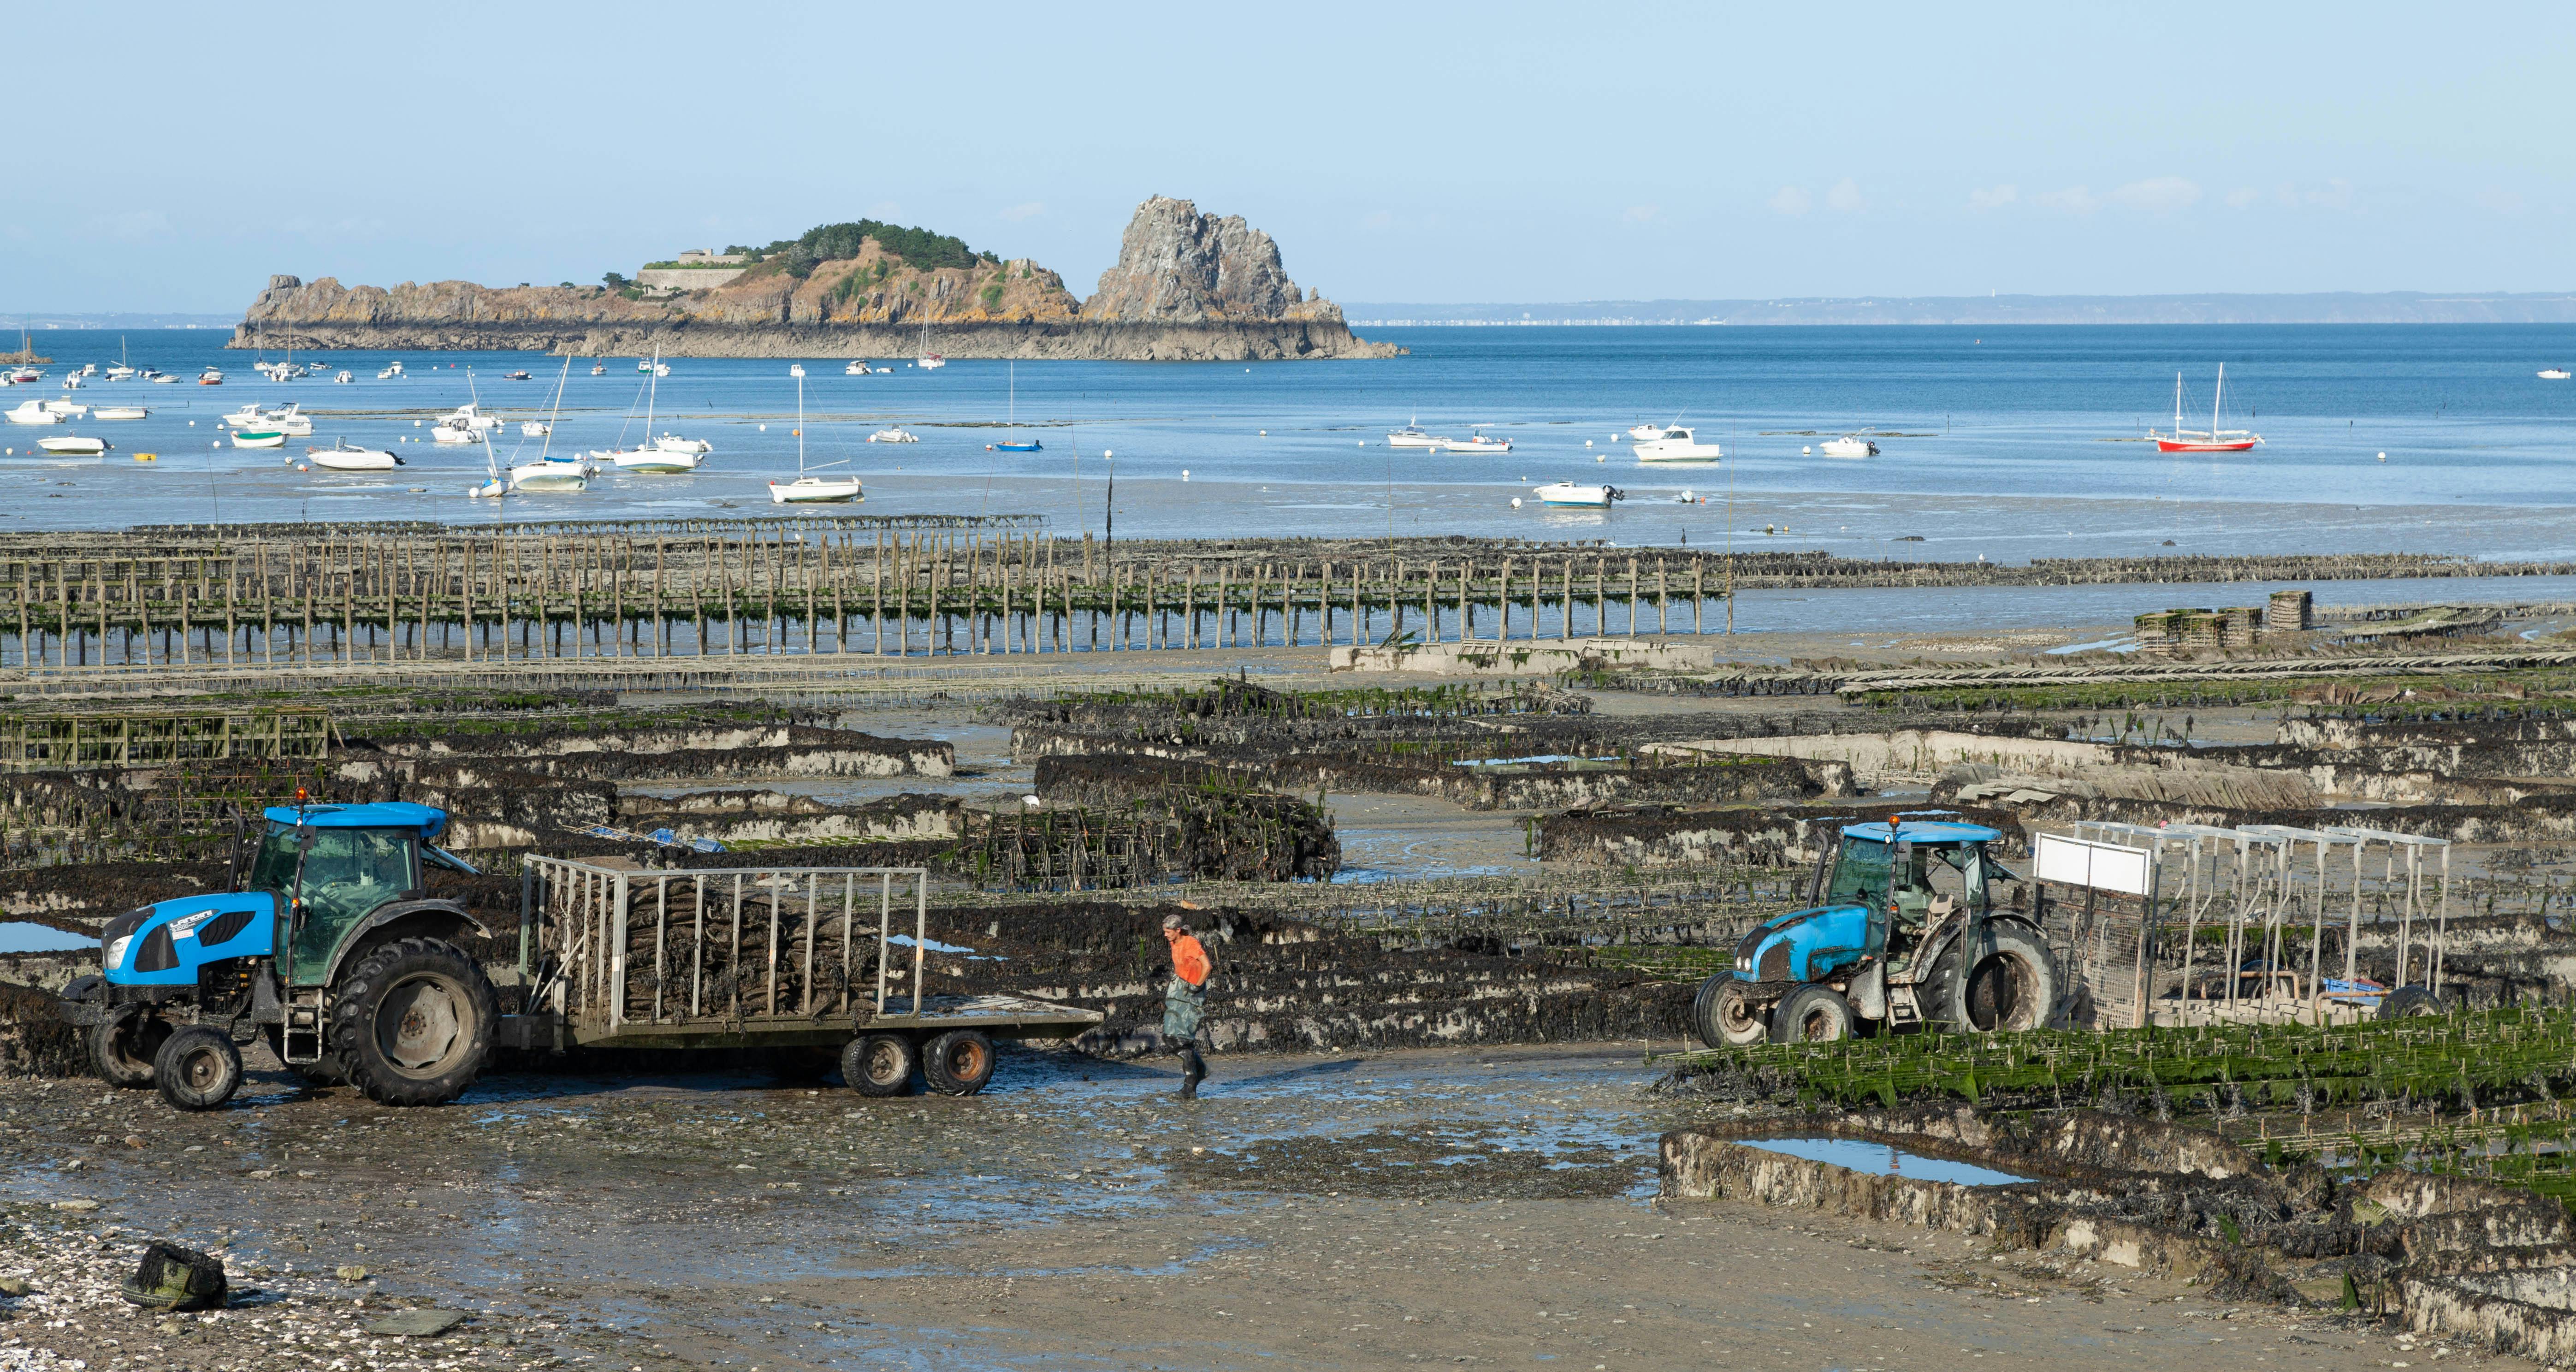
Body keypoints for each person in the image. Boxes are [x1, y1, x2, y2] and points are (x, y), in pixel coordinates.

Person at [1161, 913, 1211, 1100]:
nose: (1166, 935)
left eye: (1168, 932)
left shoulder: (1191, 943)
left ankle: (1190, 1086)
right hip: (1178, 988)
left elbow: (1207, 966)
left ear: (1178, 930)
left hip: (1193, 991)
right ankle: (1201, 1069)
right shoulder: (1174, 943)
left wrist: (1196, 986)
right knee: (1169, 1037)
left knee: (1182, 1040)